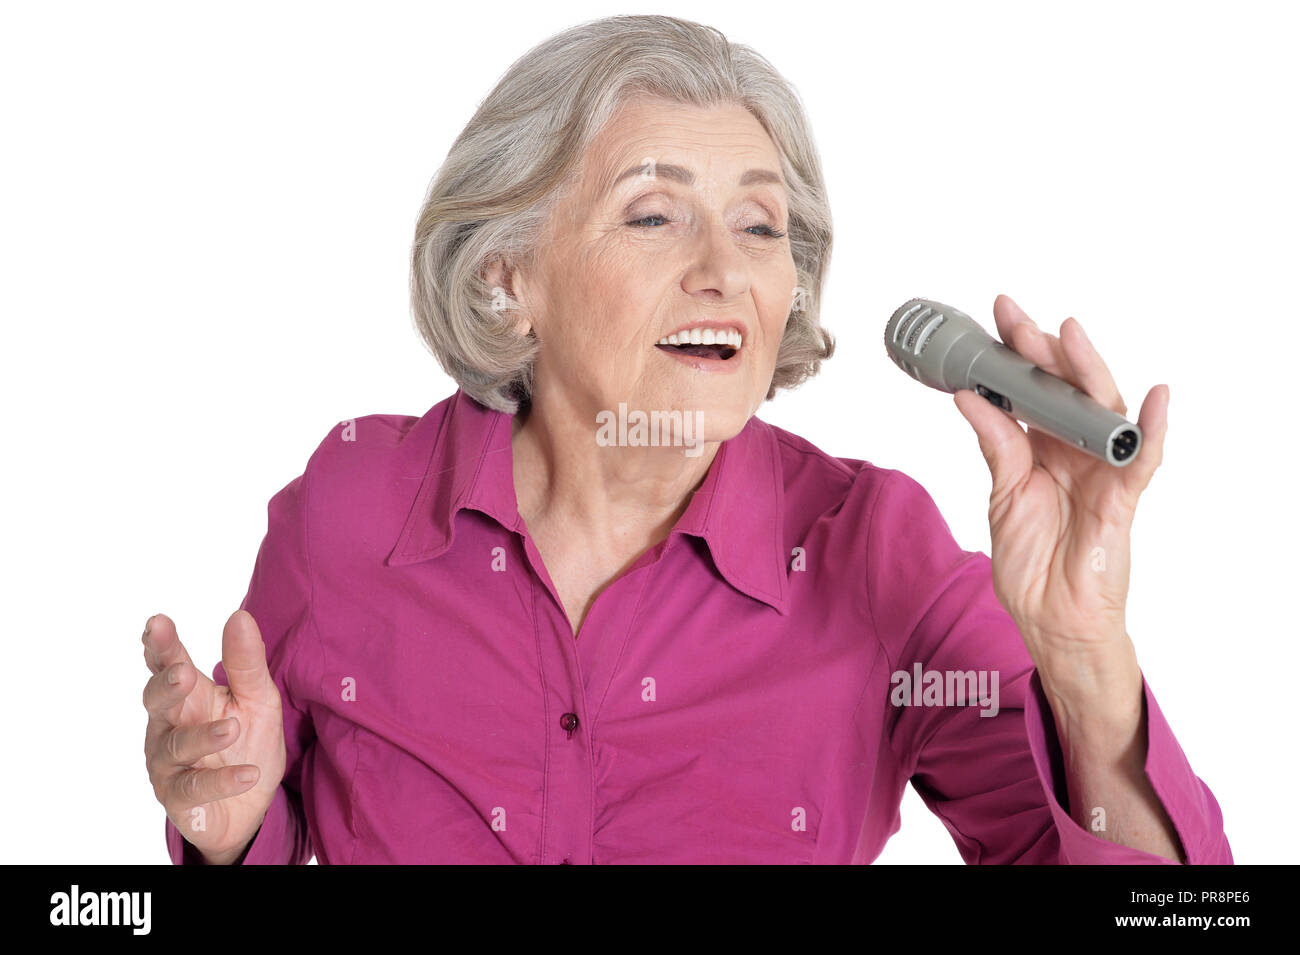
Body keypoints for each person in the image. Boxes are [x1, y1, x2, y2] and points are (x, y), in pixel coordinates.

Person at [141, 14, 1230, 864]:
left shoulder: (876, 552)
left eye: (760, 226)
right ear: (506, 276)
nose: (724, 270)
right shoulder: (350, 512)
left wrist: (1085, 656)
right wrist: (226, 828)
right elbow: (248, 824)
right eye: (654, 215)